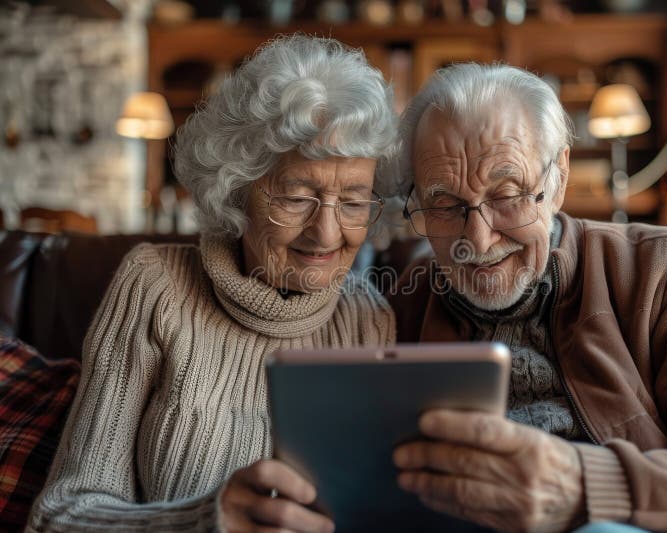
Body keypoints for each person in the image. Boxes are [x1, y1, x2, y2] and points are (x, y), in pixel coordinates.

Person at [387, 63, 667, 532]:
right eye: (445, 205)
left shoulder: (666, 272)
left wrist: (587, 488)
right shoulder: (403, 301)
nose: (478, 242)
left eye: (507, 196)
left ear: (559, 177)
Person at [28, 35, 396, 532]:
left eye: (353, 202)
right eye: (295, 196)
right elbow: (59, 518)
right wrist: (206, 521)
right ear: (236, 190)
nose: (327, 233)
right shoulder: (154, 286)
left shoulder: (368, 320)